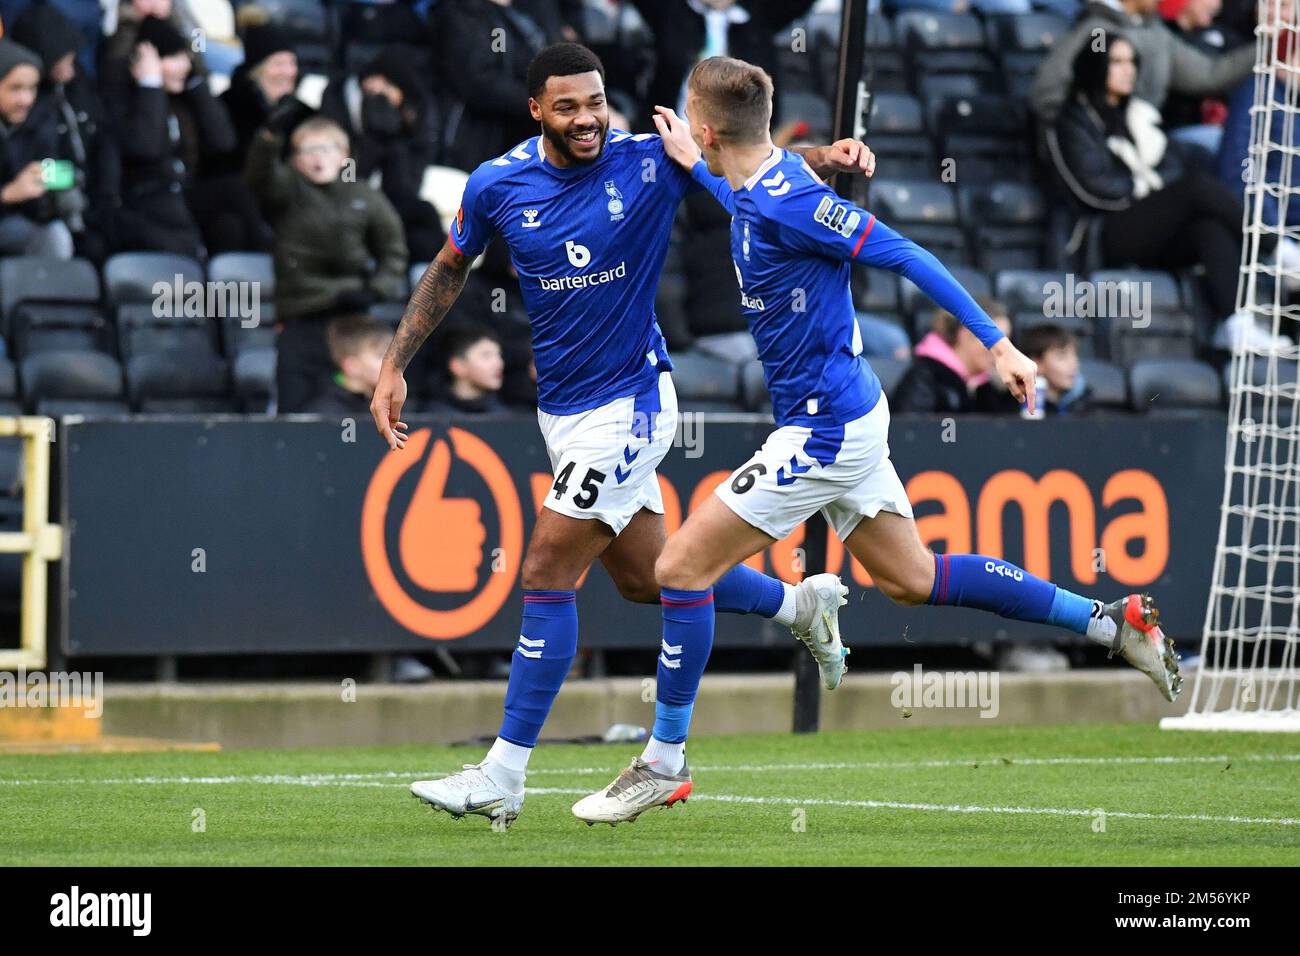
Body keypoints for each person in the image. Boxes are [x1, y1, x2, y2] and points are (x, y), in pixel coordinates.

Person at [567, 56, 1184, 825]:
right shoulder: (761, 184)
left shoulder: (793, 199)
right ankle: (1109, 622)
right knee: (912, 578)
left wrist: (997, 344)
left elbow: (905, 253)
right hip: (848, 413)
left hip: (826, 428)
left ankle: (664, 759)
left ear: (700, 126)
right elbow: (745, 194)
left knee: (680, 565)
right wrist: (700, 170)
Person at [369, 42, 878, 828]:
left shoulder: (650, 160)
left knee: (545, 566)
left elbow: (739, 159)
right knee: (649, 576)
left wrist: (820, 155)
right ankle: (796, 606)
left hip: (634, 402)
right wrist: (394, 362)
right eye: (567, 106)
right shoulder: (498, 183)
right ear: (536, 109)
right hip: (564, 412)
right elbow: (449, 267)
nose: (587, 119)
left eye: (596, 101)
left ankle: (505, 772)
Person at [1045, 31, 1290, 349]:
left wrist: (1155, 191)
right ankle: (1274, 248)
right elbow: (1091, 188)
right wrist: (1147, 189)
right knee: (1197, 188)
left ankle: (1236, 325)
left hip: (1145, 224)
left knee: (1208, 226)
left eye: (1131, 62)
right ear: (1097, 65)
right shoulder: (1072, 121)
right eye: (1117, 61)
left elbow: (1171, 164)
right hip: (1102, 231)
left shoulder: (1139, 115)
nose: (1128, 69)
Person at [246, 115, 408, 412]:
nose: (318, 157)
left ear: (345, 156)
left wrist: (377, 289)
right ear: (295, 161)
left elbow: (394, 250)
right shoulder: (288, 191)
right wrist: (267, 139)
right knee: (297, 404)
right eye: (308, 150)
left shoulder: (365, 196)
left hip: (352, 319)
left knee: (358, 398)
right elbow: (259, 179)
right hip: (301, 315)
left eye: (326, 148)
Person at [1028, 0, 1254, 125]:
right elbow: (1050, 90)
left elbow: (1209, 75)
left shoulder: (1155, 34)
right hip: (1099, 146)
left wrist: (1271, 46)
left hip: (1145, 138)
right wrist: (1077, 129)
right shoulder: (1097, 31)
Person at [0, 37, 75, 258]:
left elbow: (57, 166)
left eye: (32, 88)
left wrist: (57, 181)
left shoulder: (40, 119)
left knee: (56, 234)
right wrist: (8, 194)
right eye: (15, 88)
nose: (25, 99)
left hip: (26, 219)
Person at [892, 299, 1017, 413]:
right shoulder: (925, 377)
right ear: (965, 333)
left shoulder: (988, 388)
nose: (1001, 350)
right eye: (994, 341)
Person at [422, 325, 507, 415]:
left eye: (499, 355)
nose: (499, 363)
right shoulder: (431, 415)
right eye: (486, 355)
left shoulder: (506, 417)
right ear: (458, 366)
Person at [1019, 323, 1092, 415]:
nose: (1074, 364)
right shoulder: (1009, 406)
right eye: (1061, 357)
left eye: (1074, 355)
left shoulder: (1088, 405)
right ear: (1035, 363)